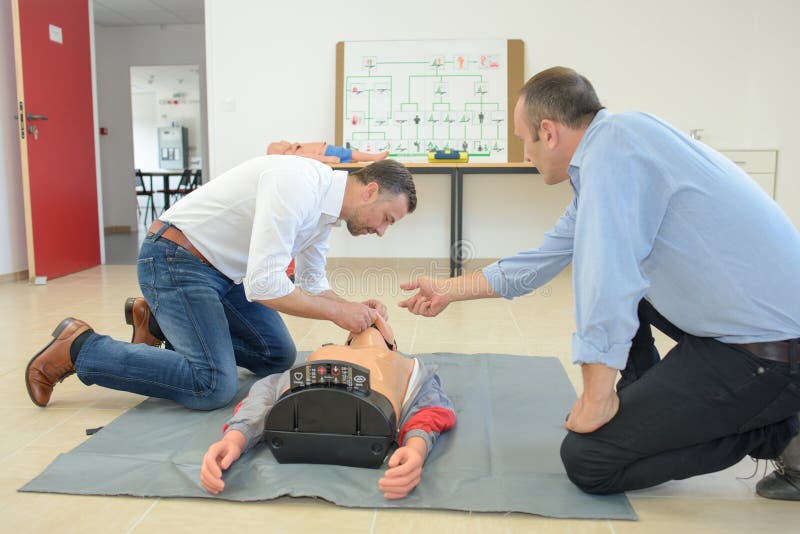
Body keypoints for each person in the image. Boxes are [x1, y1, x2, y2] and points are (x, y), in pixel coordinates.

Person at [398, 66, 800, 499]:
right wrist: (447, 291)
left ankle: (776, 429)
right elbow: (540, 261)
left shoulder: (614, 155)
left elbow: (606, 280)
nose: (526, 154)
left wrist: (596, 394)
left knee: (589, 461)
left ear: (548, 133)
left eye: (523, 140)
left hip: (768, 352)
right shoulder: (617, 148)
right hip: (751, 329)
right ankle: (647, 401)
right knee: (629, 289)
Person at [26, 156, 417, 411]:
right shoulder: (297, 185)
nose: (382, 231)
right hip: (174, 260)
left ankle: (160, 322)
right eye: (387, 218)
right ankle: (81, 349)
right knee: (212, 384)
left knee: (276, 356)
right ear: (370, 191)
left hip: (226, 277)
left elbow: (312, 283)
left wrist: (355, 310)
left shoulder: (327, 215)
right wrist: (339, 312)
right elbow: (265, 286)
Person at [200, 314, 456, 499]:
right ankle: (319, 413)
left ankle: (320, 417)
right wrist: (235, 439)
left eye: (379, 321)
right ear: (346, 342)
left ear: (394, 345)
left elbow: (429, 406)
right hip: (307, 400)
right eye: (366, 319)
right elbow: (265, 394)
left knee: (286, 392)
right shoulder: (321, 357)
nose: (372, 322)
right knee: (282, 391)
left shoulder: (409, 366)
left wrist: (416, 449)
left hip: (372, 406)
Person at [267, 140, 388, 164]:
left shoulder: (293, 149)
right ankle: (374, 157)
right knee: (349, 153)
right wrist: (328, 159)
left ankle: (369, 158)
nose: (281, 142)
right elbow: (311, 157)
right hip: (326, 152)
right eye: (279, 144)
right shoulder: (292, 154)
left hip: (325, 150)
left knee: (350, 157)